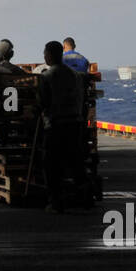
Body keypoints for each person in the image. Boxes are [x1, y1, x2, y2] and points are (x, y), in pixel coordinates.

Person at [39, 40, 88, 213]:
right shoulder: (75, 75)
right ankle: (85, 198)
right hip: (75, 123)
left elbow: (43, 102)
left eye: (45, 53)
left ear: (50, 55)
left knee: (52, 165)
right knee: (76, 162)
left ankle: (56, 202)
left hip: (55, 125)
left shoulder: (47, 76)